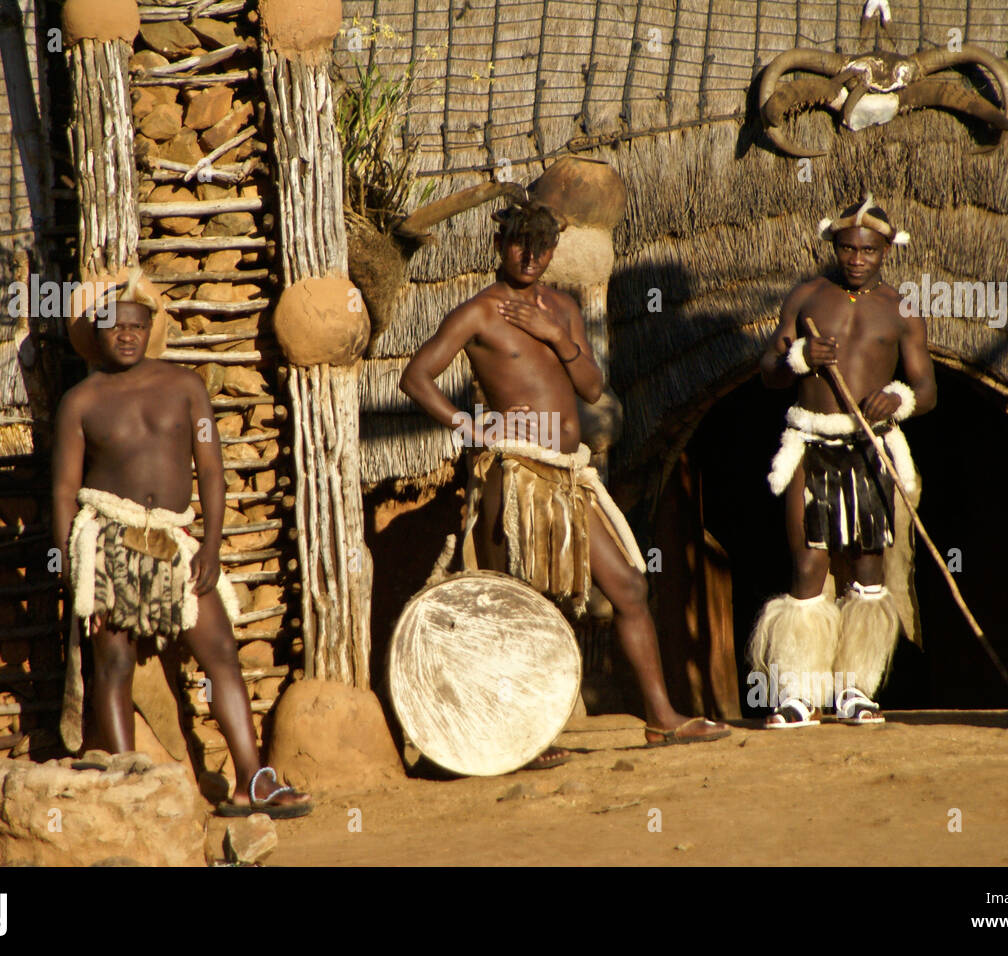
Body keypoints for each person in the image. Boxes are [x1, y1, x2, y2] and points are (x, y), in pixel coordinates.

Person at [400, 200, 730, 761]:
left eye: (542, 246)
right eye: (519, 244)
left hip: (569, 474)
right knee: (520, 603)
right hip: (517, 472)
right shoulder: (478, 313)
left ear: (554, 250)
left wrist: (558, 335)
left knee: (627, 585)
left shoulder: (563, 308)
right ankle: (522, 738)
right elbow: (416, 376)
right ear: (499, 244)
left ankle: (662, 719)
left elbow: (592, 388)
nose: (530, 256)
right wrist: (470, 423)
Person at [51, 269, 311, 817]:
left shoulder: (185, 387)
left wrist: (211, 547)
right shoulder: (80, 401)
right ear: (96, 335)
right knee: (115, 663)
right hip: (109, 546)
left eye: (136, 326)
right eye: (114, 326)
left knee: (219, 651)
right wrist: (80, 581)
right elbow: (64, 491)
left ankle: (251, 781)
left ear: (150, 330)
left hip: (175, 540)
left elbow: (212, 472)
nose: (125, 335)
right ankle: (131, 788)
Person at [750, 194, 936, 728]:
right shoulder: (808, 296)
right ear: (834, 246)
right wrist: (798, 358)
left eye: (869, 251)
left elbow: (927, 388)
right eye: (848, 248)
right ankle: (799, 694)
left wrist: (898, 399)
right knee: (808, 561)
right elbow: (768, 371)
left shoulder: (900, 308)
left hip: (870, 446)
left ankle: (855, 689)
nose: (857, 259)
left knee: (866, 564)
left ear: (885, 251)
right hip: (812, 441)